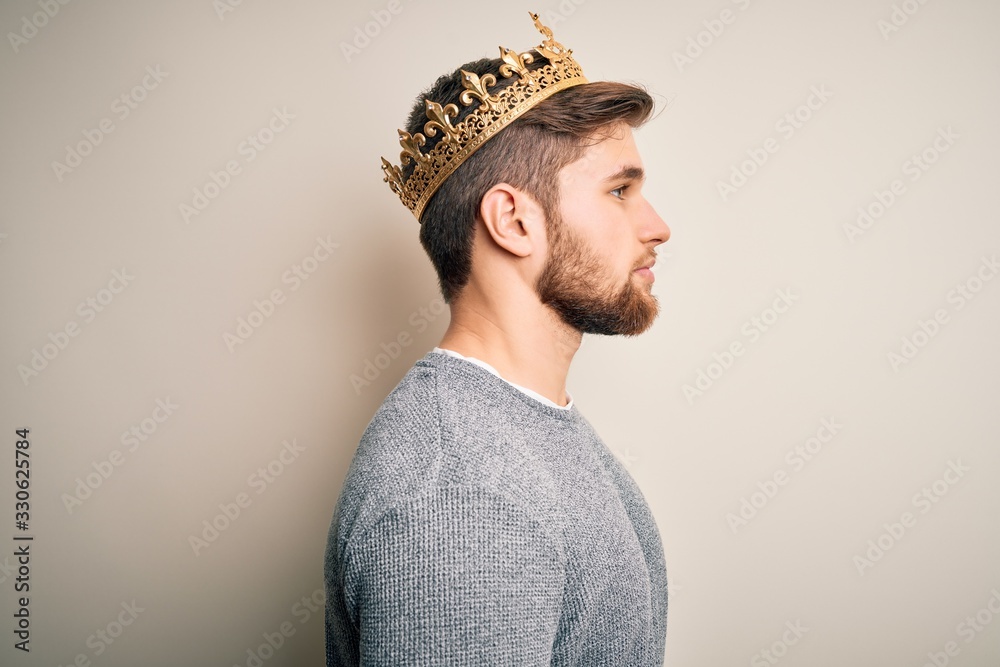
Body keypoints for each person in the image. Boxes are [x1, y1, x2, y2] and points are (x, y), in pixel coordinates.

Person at [325, 12, 671, 666]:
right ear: (512, 221)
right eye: (620, 190)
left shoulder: (521, 427)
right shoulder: (460, 492)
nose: (657, 226)